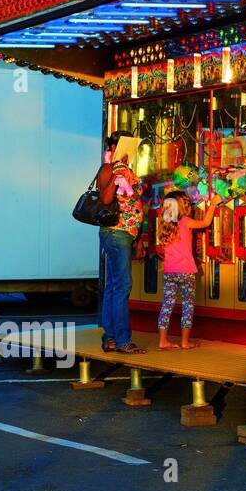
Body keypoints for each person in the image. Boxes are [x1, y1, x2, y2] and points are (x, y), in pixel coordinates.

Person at [155, 191, 220, 350]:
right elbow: (205, 222)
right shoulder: (185, 222)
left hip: (169, 272)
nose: (190, 207)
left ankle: (163, 341)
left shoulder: (164, 223)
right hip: (186, 272)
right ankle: (185, 342)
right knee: (187, 306)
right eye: (188, 204)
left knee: (167, 305)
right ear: (182, 207)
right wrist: (213, 204)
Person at [98, 131, 143, 354]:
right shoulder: (111, 169)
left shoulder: (123, 168)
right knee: (122, 285)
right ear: (115, 147)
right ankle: (123, 339)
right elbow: (106, 199)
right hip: (117, 232)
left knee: (113, 286)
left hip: (124, 233)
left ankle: (110, 337)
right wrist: (118, 172)